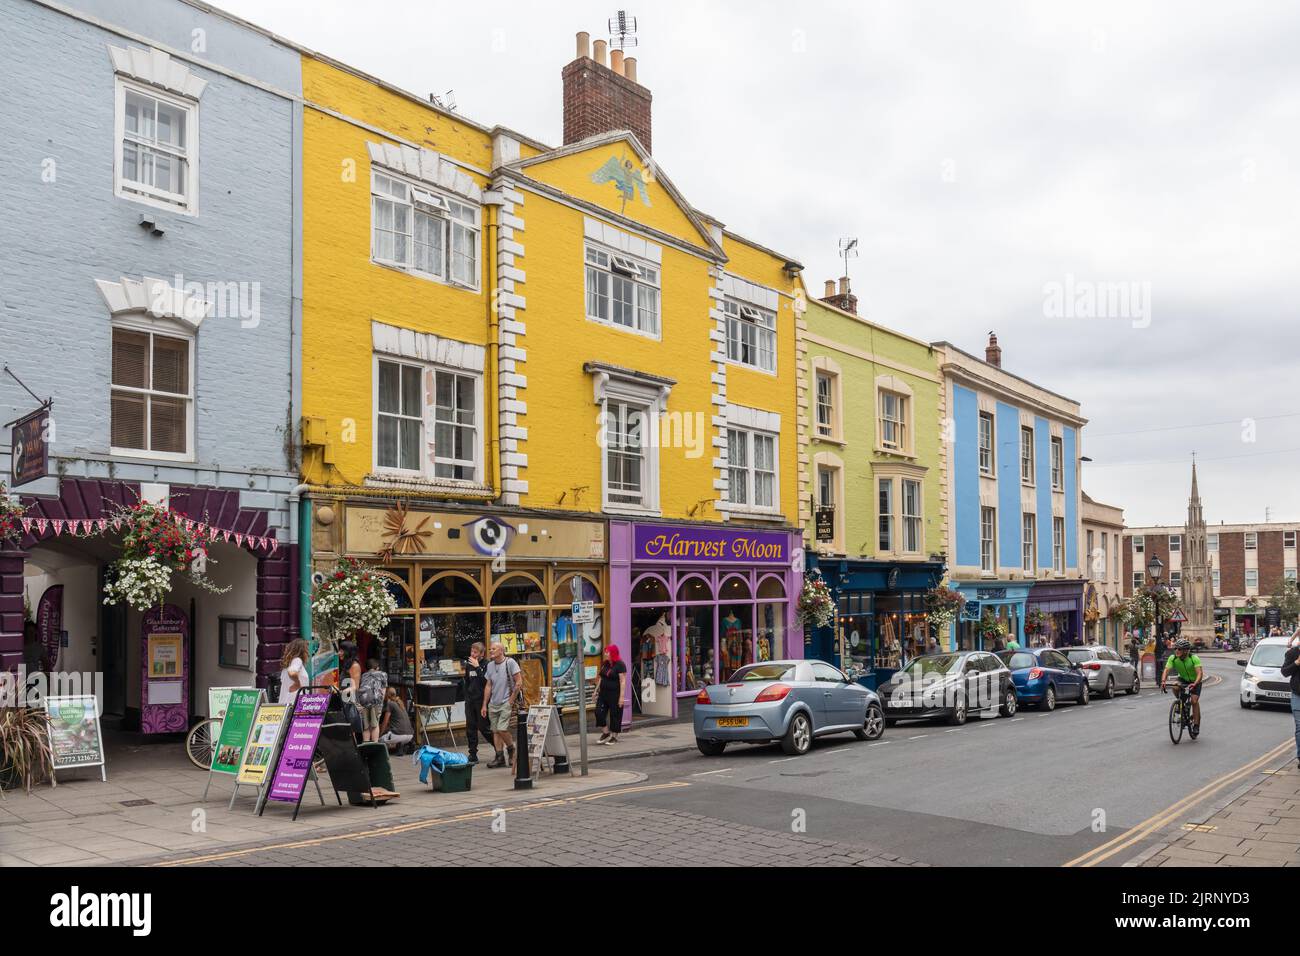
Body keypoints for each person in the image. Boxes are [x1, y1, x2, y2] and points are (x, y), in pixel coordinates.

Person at [482, 641, 522, 770]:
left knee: (501, 728)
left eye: (494, 649)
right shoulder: (490, 666)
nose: (491, 651)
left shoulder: (510, 663)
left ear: (501, 651)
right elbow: (488, 685)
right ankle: (499, 757)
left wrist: (510, 701)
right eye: (490, 649)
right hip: (493, 703)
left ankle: (511, 750)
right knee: (495, 730)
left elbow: (519, 682)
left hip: (506, 702)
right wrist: (484, 704)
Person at [1161, 638, 1204, 734]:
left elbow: (1199, 674)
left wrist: (1195, 683)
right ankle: (1180, 702)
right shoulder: (1173, 658)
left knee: (1194, 701)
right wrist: (1163, 681)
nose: (1176, 650)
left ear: (1186, 651)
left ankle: (1196, 725)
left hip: (1195, 681)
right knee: (1175, 686)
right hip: (1183, 679)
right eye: (1176, 648)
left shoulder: (1194, 658)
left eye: (1179, 649)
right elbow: (1166, 670)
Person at [463, 641, 495, 765]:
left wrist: (477, 667)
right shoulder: (469, 665)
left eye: (475, 652)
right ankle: (472, 753)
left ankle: (498, 748)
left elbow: (486, 682)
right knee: (470, 727)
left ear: (482, 654)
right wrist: (467, 696)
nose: (472, 654)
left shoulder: (487, 665)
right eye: (472, 651)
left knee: (484, 727)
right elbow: (467, 680)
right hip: (470, 700)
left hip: (482, 700)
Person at [595, 645, 627, 745]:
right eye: (605, 652)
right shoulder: (605, 664)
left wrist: (621, 697)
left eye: (607, 652)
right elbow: (601, 678)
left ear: (613, 653)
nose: (605, 654)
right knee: (598, 712)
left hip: (615, 694)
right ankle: (606, 732)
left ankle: (614, 736)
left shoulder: (620, 664)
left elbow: (623, 681)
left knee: (615, 715)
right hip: (603, 694)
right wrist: (595, 691)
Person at [1281, 634, 1300, 770]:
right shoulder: (1292, 653)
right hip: (1297, 695)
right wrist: (1296, 663)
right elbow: (1285, 672)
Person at [358, 658, 388, 743]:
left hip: (363, 700)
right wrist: (381, 705)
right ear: (377, 667)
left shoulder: (364, 675)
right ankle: (375, 743)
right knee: (375, 724)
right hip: (375, 700)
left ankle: (366, 744)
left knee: (366, 725)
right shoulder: (383, 674)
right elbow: (383, 691)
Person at [378, 687, 414, 754]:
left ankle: (397, 746)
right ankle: (401, 746)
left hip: (399, 736)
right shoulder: (400, 702)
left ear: (386, 695)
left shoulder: (390, 703)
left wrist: (380, 734)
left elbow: (385, 722)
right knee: (390, 733)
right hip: (410, 736)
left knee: (380, 741)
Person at [278, 639, 311, 706]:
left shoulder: (288, 664)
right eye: (306, 649)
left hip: (285, 703)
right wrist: (297, 683)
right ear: (302, 650)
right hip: (295, 703)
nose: (307, 652)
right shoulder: (297, 660)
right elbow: (292, 672)